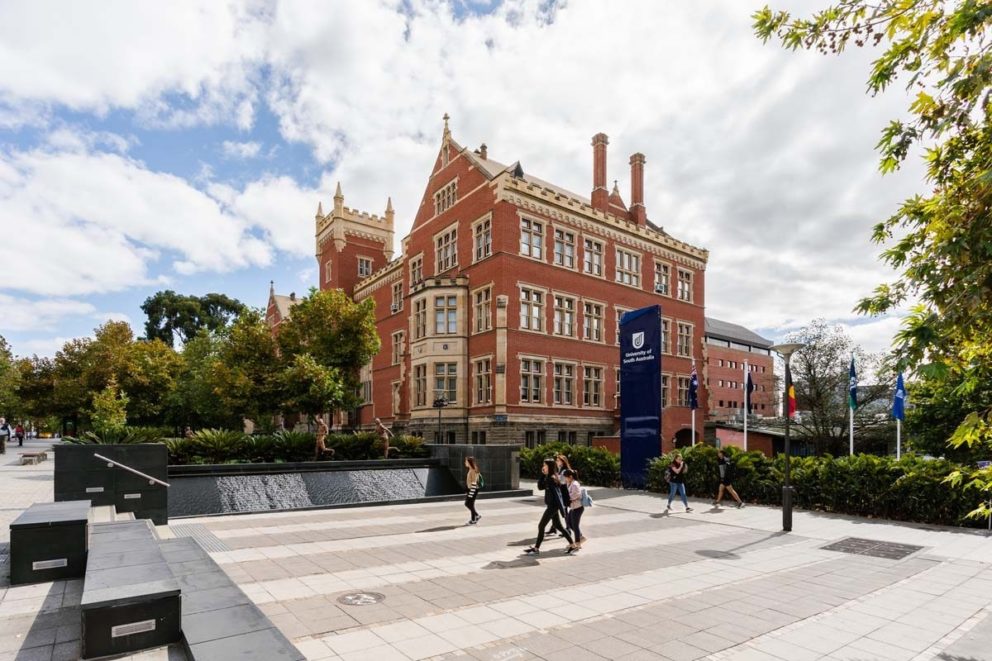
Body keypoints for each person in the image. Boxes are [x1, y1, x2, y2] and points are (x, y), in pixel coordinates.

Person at [524, 458, 574, 555]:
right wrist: (542, 475)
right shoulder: (549, 477)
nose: (543, 467)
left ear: (549, 466)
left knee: (541, 525)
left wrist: (561, 509)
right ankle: (572, 545)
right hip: (552, 506)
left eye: (545, 465)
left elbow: (558, 494)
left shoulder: (552, 479)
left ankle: (536, 549)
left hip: (552, 507)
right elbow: (540, 487)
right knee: (559, 526)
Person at [544, 454, 572, 538]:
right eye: (556, 460)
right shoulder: (559, 469)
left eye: (558, 460)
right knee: (555, 511)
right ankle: (554, 528)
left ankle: (568, 529)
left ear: (562, 462)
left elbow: (563, 481)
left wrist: (555, 478)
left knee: (564, 511)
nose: (556, 461)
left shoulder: (564, 470)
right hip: (560, 492)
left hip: (563, 493)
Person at [562, 469, 585, 554]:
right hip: (573, 508)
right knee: (569, 523)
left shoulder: (575, 484)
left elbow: (577, 494)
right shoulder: (570, 483)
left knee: (575, 525)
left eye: (566, 477)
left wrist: (568, 498)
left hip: (578, 508)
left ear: (570, 477)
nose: (565, 479)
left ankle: (578, 543)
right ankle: (580, 537)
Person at [464, 456, 482, 525]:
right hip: (472, 489)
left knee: (467, 503)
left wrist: (471, 492)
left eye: (466, 461)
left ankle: (476, 516)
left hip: (473, 489)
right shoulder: (471, 469)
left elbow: (474, 482)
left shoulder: (473, 470)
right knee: (470, 504)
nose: (465, 463)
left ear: (469, 462)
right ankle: (474, 519)